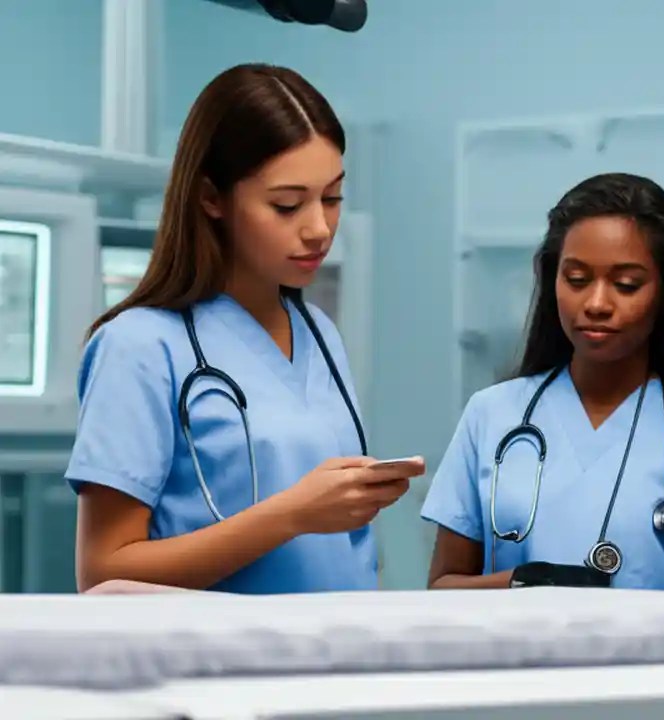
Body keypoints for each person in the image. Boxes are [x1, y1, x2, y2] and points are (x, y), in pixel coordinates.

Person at [66, 64, 423, 594]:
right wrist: (291, 515)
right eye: (287, 204)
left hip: (337, 657)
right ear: (212, 197)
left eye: (332, 198)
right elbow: (103, 571)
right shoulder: (139, 346)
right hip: (215, 666)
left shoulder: (319, 333)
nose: (319, 228)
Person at [421, 173, 664, 592]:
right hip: (514, 655)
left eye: (626, 285)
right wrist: (526, 584)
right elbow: (442, 589)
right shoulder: (492, 415)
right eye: (576, 279)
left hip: (651, 658)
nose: (595, 304)